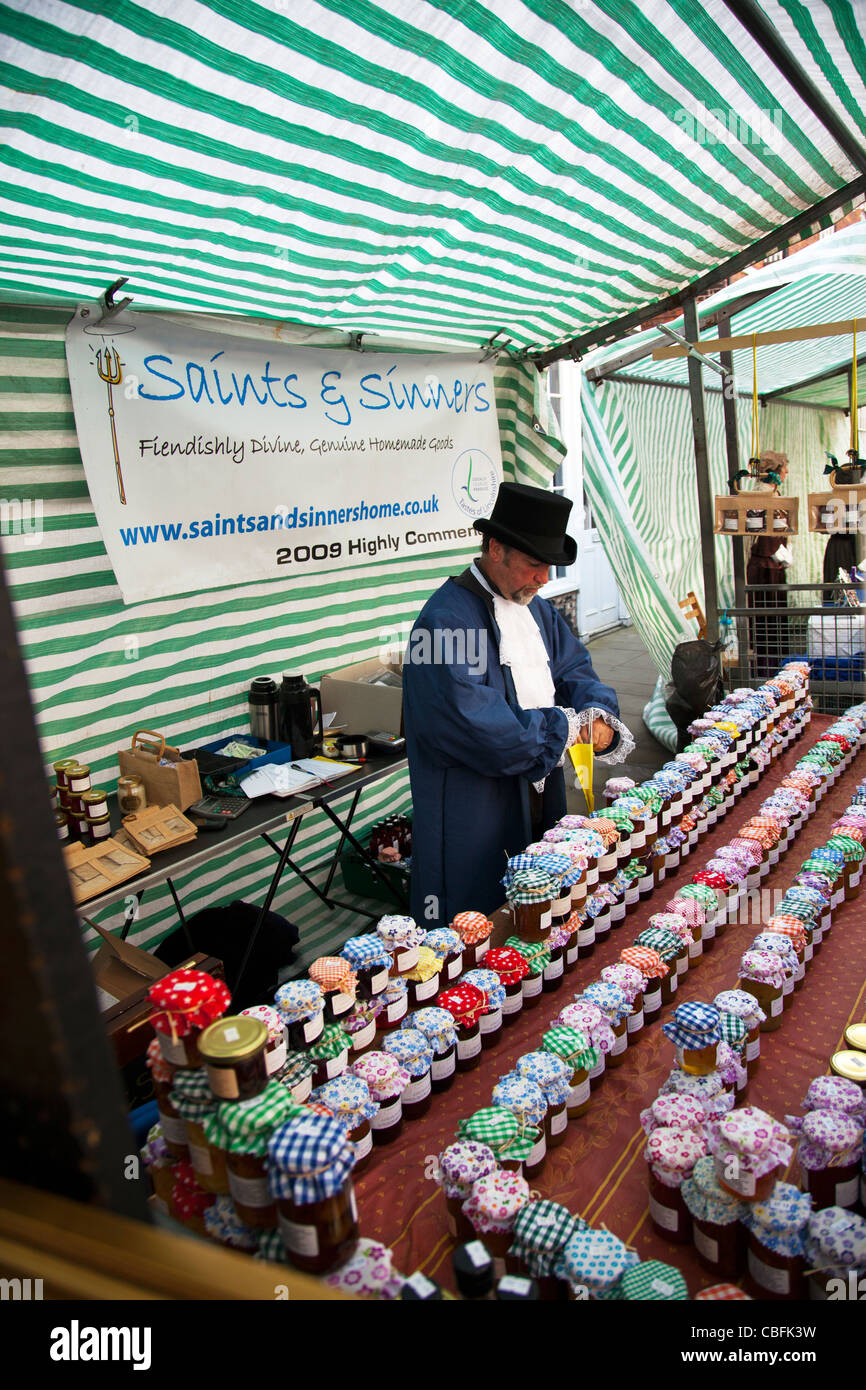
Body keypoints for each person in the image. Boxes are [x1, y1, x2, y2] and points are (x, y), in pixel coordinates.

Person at [402, 481, 632, 928]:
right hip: (474, 804)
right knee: (473, 918)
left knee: (540, 904)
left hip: (539, 791)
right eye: (533, 564)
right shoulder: (443, 624)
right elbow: (478, 725)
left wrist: (597, 715)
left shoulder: (537, 610)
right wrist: (564, 728)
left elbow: (575, 672)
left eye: (548, 565)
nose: (544, 578)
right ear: (495, 549)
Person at [746, 451, 791, 679]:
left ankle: (777, 668)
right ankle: (765, 671)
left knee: (774, 622)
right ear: (775, 472)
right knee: (765, 621)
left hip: (775, 569)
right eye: (784, 468)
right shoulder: (760, 497)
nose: (787, 472)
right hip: (763, 572)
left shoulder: (775, 495)